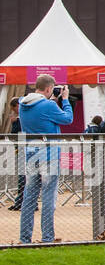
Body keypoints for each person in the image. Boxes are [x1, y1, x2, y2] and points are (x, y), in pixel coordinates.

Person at [18, 74, 74, 244]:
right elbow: (68, 119)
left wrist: (54, 100)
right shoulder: (48, 105)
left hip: (30, 154)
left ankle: (25, 238)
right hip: (49, 155)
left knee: (29, 198)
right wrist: (64, 99)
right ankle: (47, 237)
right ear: (49, 89)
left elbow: (43, 116)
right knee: (49, 198)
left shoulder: (23, 103)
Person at [6, 97, 23, 211]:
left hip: (24, 150)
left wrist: (15, 123)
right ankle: (21, 202)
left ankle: (21, 202)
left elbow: (15, 133)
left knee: (23, 178)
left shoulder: (22, 119)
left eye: (14, 109)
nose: (15, 112)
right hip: (23, 149)